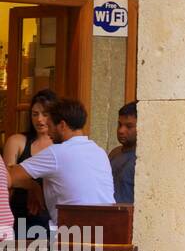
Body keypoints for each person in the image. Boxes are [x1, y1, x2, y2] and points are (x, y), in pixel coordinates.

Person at [8, 99, 114, 228]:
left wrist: (33, 186)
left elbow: (7, 176)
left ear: (62, 125)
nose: (48, 132)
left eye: (50, 126)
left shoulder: (56, 153)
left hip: (74, 234)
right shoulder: (99, 151)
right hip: (108, 230)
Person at [4, 88, 56, 237]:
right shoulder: (17, 141)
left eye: (45, 114)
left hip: (52, 216)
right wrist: (33, 187)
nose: (39, 119)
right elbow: (6, 178)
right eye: (35, 114)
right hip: (20, 214)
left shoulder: (61, 146)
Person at [109, 101, 137, 204]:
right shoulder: (114, 153)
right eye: (119, 125)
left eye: (129, 126)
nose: (121, 130)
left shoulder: (143, 159)